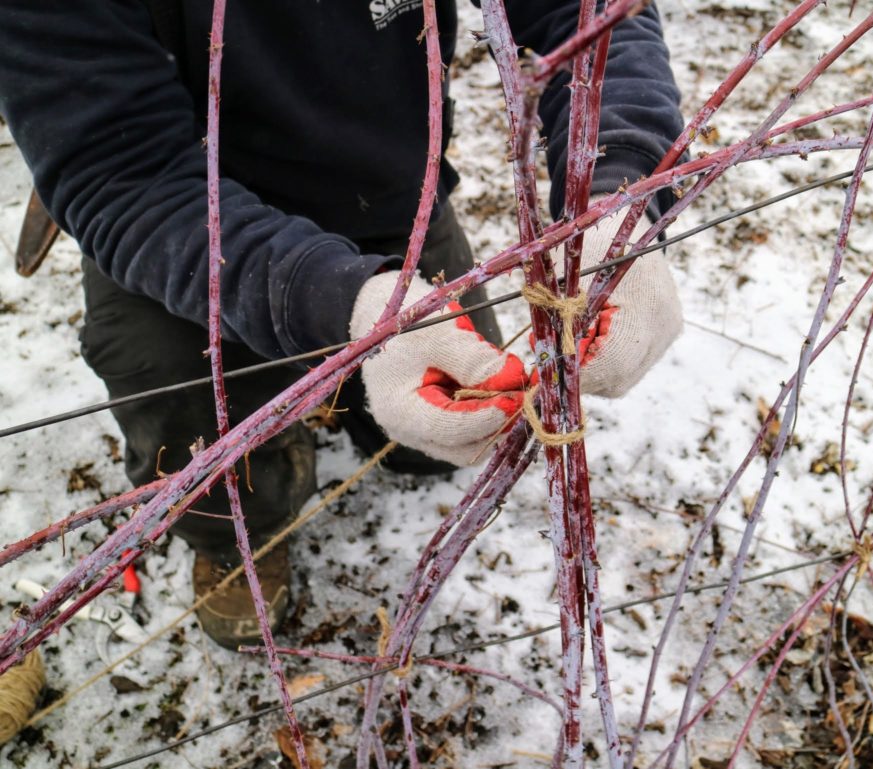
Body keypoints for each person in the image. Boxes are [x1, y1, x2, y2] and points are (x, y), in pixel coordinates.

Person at [0, 0, 685, 648]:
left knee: (458, 421)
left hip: (383, 194)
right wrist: (346, 308)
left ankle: (349, 388)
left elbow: (587, 14)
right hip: (180, 224)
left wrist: (620, 191)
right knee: (183, 417)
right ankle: (241, 540)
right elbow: (122, 176)